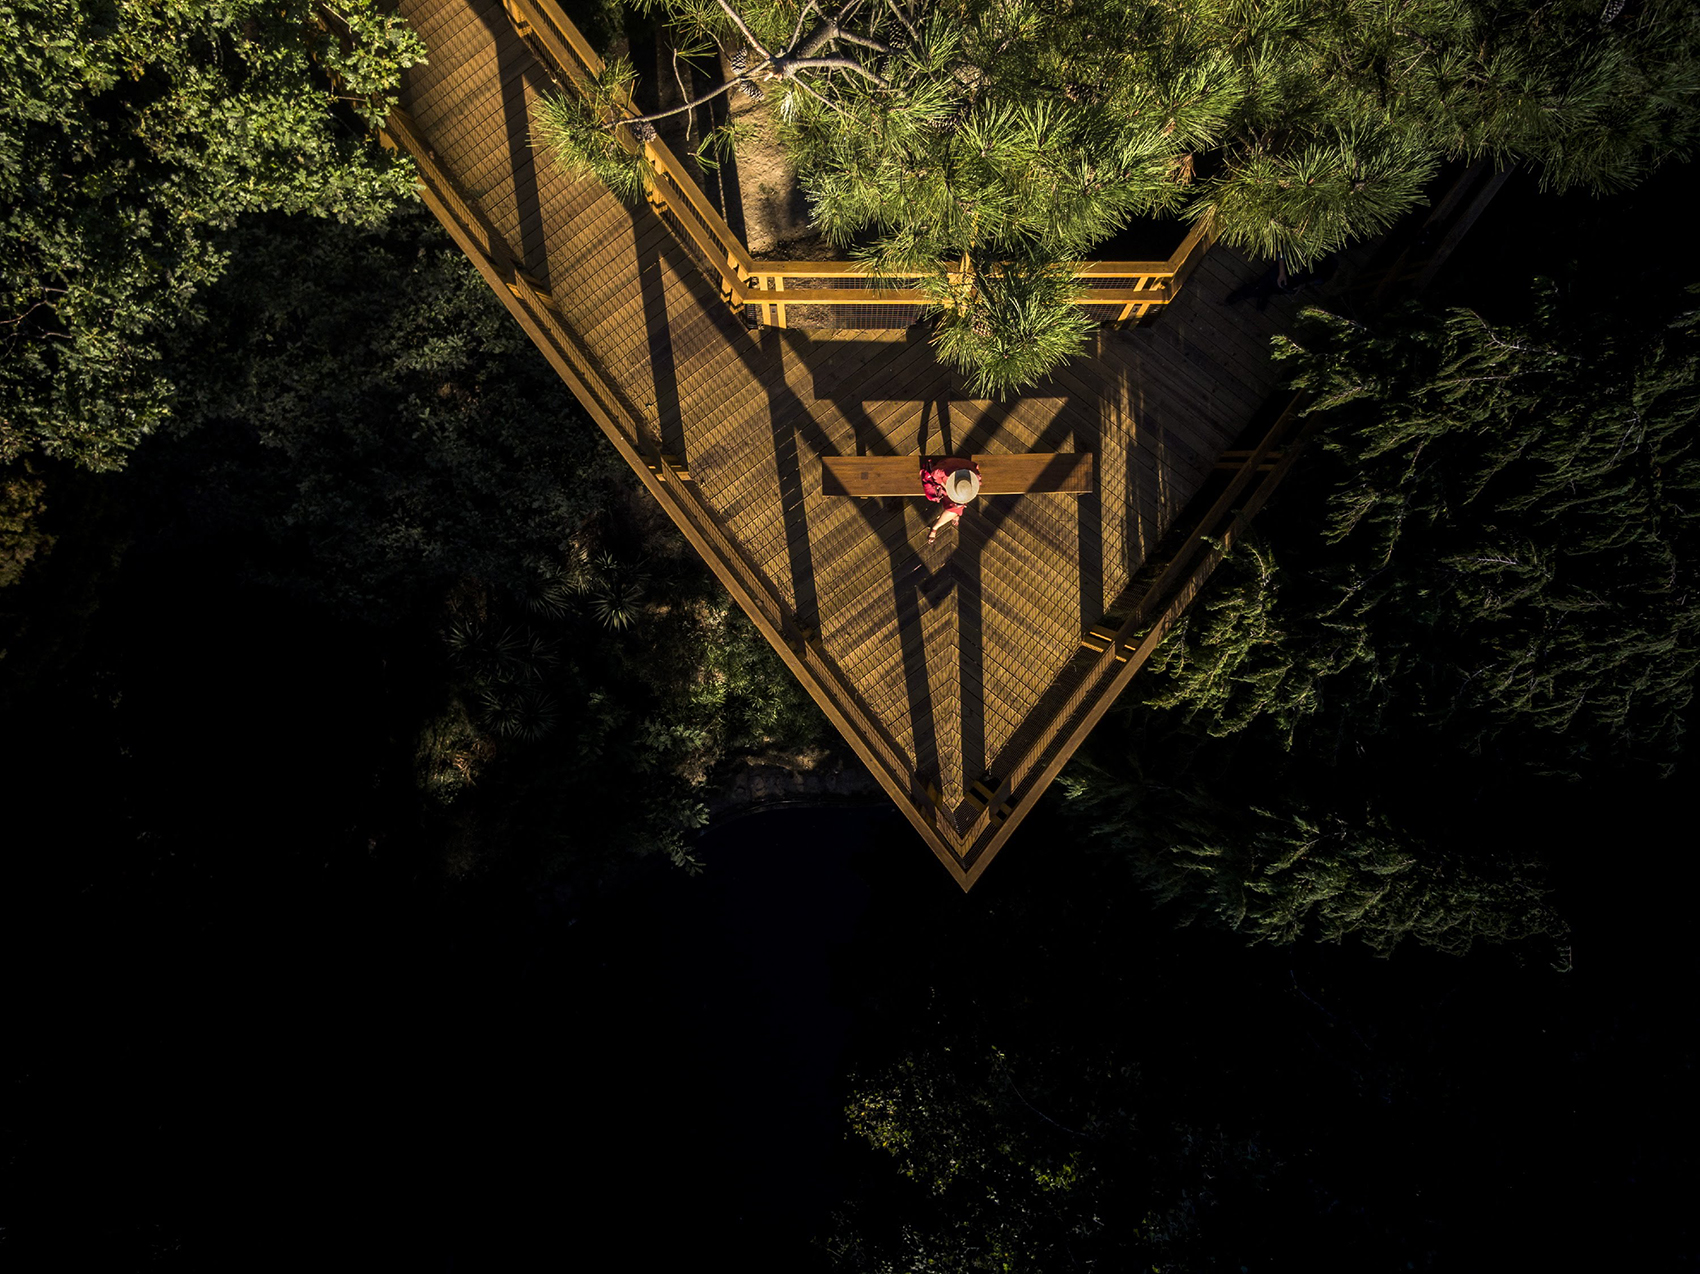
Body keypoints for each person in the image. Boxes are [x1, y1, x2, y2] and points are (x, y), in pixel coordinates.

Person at [920, 456, 982, 544]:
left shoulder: (975, 476)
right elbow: (935, 474)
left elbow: (978, 481)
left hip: (959, 485)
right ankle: (936, 527)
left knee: (958, 504)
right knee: (956, 507)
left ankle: (953, 515)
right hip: (948, 466)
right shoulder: (944, 472)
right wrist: (944, 485)